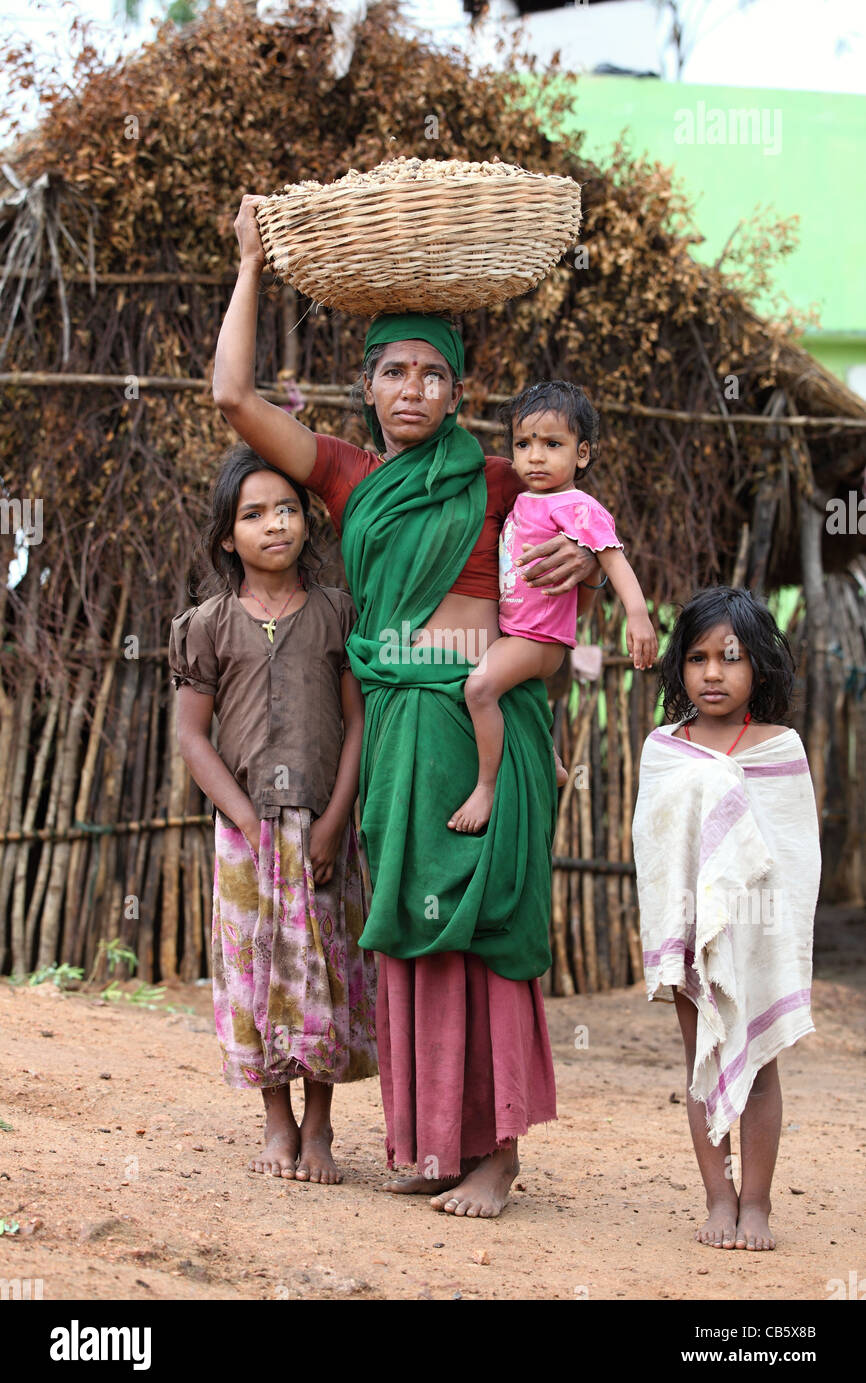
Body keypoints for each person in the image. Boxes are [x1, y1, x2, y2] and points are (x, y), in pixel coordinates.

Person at [211, 195, 603, 1218]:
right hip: (393, 738)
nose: (413, 388)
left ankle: (497, 1155)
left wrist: (586, 565)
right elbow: (232, 397)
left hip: (480, 730)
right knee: (409, 929)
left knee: (483, 927)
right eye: (394, 370)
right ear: (368, 384)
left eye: (433, 373)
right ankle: (432, 1142)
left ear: (459, 390)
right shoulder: (345, 476)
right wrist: (252, 262)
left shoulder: (498, 477)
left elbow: (582, 556)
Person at [168, 443, 377, 1185]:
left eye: (286, 509)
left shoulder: (336, 613)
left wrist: (332, 823)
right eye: (253, 514)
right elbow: (192, 737)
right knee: (255, 969)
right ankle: (277, 1122)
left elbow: (357, 725)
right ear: (228, 536)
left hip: (322, 826)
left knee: (324, 967)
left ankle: (320, 1128)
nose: (274, 525)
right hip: (244, 832)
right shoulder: (207, 624)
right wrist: (249, 826)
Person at [633, 587, 820, 1251]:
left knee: (761, 1065)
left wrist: (769, 926)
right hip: (695, 935)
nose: (712, 673)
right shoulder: (667, 749)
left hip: (757, 933)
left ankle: (758, 1205)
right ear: (678, 667)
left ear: (760, 666)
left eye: (731, 658)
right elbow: (656, 851)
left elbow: (797, 856)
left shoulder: (779, 750)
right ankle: (719, 1198)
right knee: (702, 1061)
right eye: (697, 658)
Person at [448, 379, 657, 833]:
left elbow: (613, 560)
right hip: (519, 632)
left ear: (582, 454)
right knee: (510, 695)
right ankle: (551, 759)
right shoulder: (525, 500)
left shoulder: (577, 506)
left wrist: (637, 618)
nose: (535, 456)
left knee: (478, 690)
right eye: (523, 444)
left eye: (552, 443)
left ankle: (486, 787)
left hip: (539, 638)